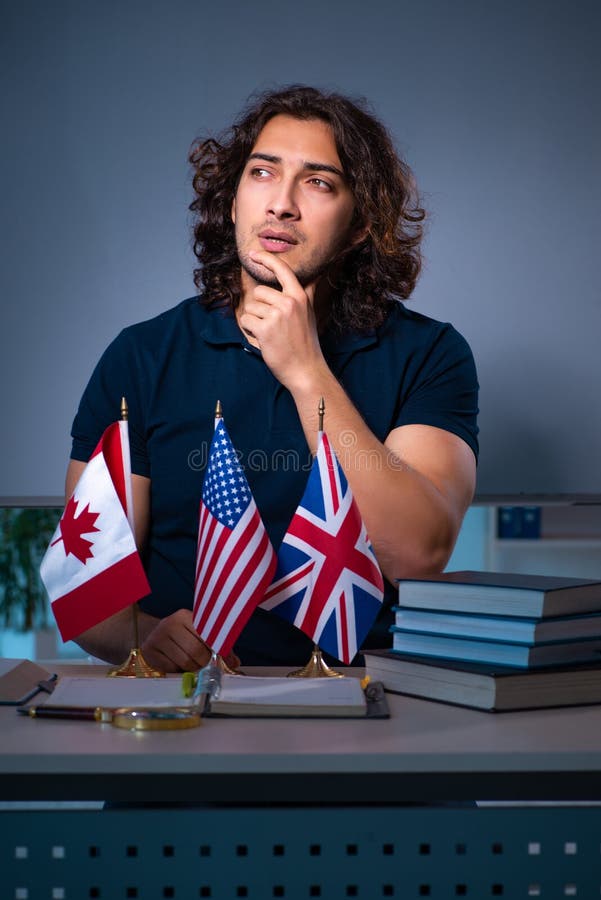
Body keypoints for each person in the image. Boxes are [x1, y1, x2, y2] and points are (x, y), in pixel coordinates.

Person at [67, 85, 479, 671]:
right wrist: (146, 635)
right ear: (233, 202)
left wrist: (307, 371)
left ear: (360, 224)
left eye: (318, 182)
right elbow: (89, 590)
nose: (281, 204)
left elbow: (417, 554)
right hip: (189, 695)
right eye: (262, 173)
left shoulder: (428, 353)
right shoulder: (143, 355)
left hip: (364, 692)